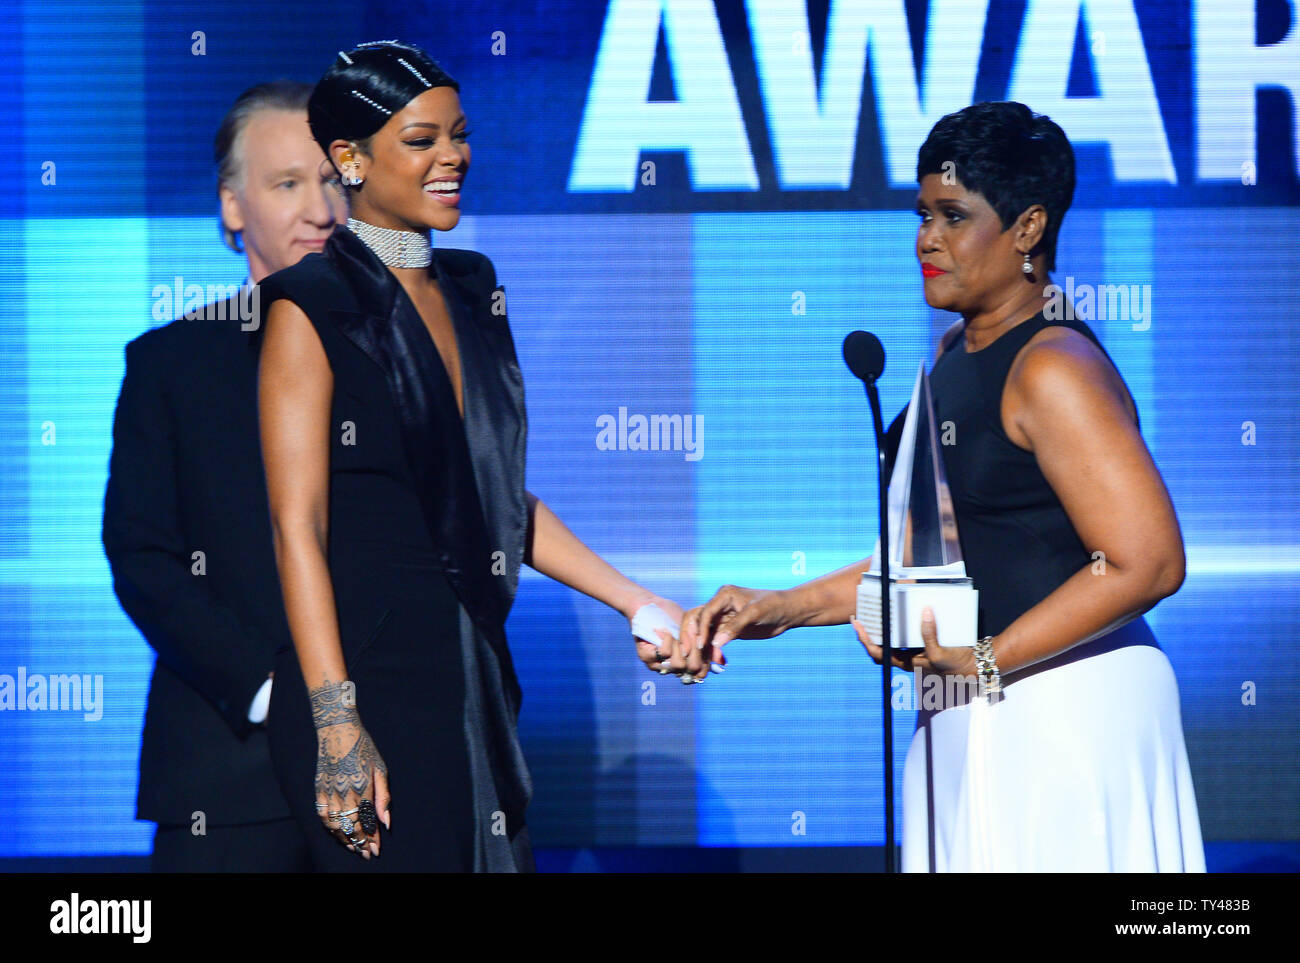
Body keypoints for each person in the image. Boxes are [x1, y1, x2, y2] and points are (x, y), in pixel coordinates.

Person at [683, 101, 1204, 872]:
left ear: (1028, 229)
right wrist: (780, 609)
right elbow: (937, 561)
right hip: (975, 712)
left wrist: (988, 658)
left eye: (953, 216)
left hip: (1064, 717)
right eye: (921, 213)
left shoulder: (1053, 367)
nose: (926, 238)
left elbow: (1148, 561)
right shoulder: (959, 348)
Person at [256, 40, 700, 873]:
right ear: (349, 159)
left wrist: (639, 604)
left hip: (472, 678)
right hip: (364, 683)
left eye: (457, 135)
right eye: (421, 140)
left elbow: (493, 496)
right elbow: (296, 529)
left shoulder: (473, 286)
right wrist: (336, 721)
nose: (452, 157)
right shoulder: (310, 306)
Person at [102, 81, 347, 871]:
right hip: (227, 782)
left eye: (335, 179)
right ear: (233, 206)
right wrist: (273, 692)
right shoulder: (171, 363)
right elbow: (144, 557)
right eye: (288, 183)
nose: (320, 208)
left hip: (399, 778)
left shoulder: (407, 357)